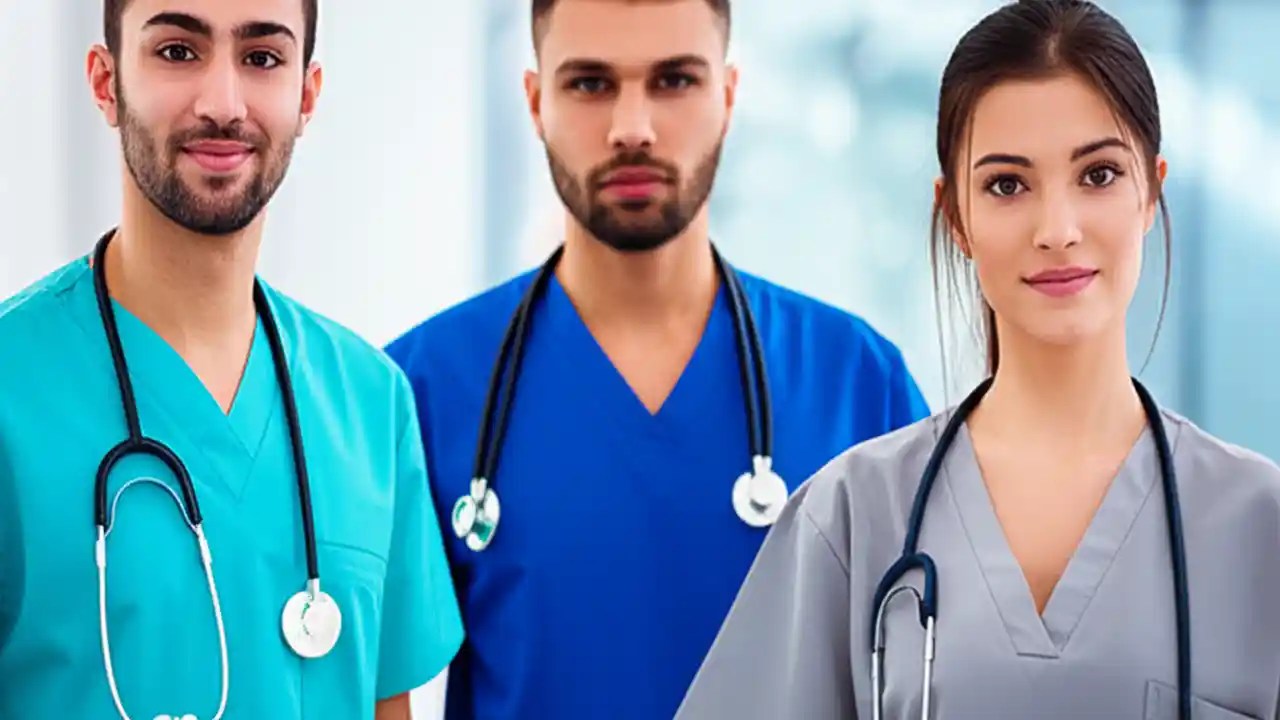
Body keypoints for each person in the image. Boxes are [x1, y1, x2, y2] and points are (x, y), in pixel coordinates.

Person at [675, 1, 1280, 718]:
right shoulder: (852, 521)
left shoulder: (1259, 528)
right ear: (955, 215)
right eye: (1006, 185)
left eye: (1099, 175)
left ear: (1151, 190)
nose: (1057, 229)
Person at [383, 0, 929, 718]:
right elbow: (372, 684)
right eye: (590, 84)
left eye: (673, 81)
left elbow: (927, 678)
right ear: (535, 100)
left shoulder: (858, 384)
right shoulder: (418, 390)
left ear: (728, 97)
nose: (632, 128)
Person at [0, 1, 462, 718]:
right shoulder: (13, 386)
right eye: (179, 52)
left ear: (306, 95)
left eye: (262, 58)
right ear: (104, 81)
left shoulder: (372, 404)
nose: (222, 104)